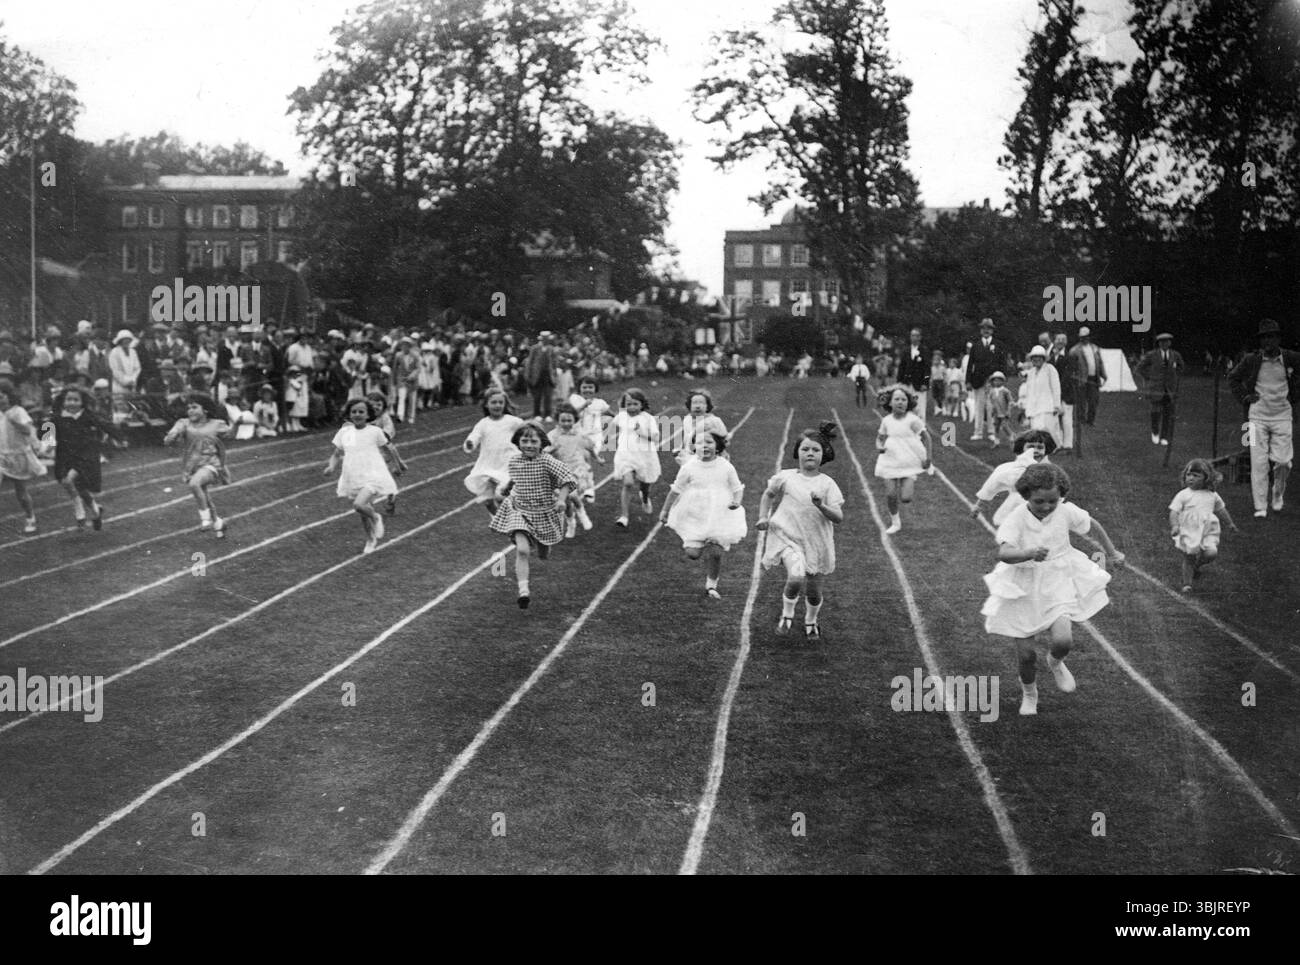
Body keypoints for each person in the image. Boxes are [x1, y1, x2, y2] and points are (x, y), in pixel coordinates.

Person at [980, 463, 1124, 716]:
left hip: (1058, 579)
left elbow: (1094, 524)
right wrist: (1028, 552)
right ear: (1026, 496)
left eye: (1052, 501)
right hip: (1022, 585)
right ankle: (1029, 694)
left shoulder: (1066, 511)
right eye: (1039, 502)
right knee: (1026, 655)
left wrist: (1112, 553)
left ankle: (1055, 662)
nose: (1046, 507)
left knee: (1063, 640)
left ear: (1060, 497)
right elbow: (1003, 552)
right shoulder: (1016, 518)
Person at [756, 422, 844, 640]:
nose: (810, 454)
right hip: (787, 536)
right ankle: (787, 615)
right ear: (797, 452)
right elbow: (768, 494)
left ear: (824, 454)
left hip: (816, 541)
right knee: (795, 577)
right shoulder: (785, 477)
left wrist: (821, 505)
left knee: (814, 590)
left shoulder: (827, 484)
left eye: (816, 450)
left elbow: (838, 517)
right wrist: (763, 517)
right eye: (805, 449)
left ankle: (811, 620)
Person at [491, 421, 578, 608]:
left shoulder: (547, 460)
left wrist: (562, 499)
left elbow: (568, 479)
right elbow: (516, 478)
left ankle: (543, 545)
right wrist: (507, 488)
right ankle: (523, 591)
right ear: (517, 442)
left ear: (541, 443)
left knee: (544, 553)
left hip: (544, 512)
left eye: (533, 441)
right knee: (522, 550)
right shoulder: (514, 461)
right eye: (524, 441)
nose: (529, 445)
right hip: (519, 510)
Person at [659, 430, 747, 599]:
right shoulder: (689, 467)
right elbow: (675, 490)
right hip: (695, 512)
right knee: (693, 554)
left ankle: (711, 585)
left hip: (719, 512)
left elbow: (737, 488)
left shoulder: (726, 466)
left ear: (717, 446)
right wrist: (665, 510)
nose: (704, 446)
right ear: (693, 447)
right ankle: (700, 540)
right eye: (700, 443)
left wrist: (737, 501)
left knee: (715, 552)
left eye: (709, 442)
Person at [1228, 318, 1298, 518]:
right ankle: (1260, 506)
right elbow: (1233, 378)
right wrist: (1244, 397)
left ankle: (1277, 494)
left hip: (1282, 416)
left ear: (1278, 338)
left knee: (1284, 462)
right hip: (1256, 417)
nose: (1267, 341)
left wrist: (1294, 395)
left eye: (1271, 337)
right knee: (1258, 462)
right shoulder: (1251, 360)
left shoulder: (1291, 358)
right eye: (1263, 338)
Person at [324, 397, 402, 554]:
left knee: (359, 505)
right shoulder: (345, 432)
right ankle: (370, 539)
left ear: (368, 414)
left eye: (361, 411)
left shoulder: (375, 432)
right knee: (362, 512)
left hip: (373, 474)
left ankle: (376, 517)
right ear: (349, 414)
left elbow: (388, 449)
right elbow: (337, 453)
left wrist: (397, 465)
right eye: (354, 411)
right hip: (353, 475)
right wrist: (331, 466)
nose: (357, 414)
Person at [49, 386, 123, 529]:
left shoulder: (88, 415)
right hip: (65, 455)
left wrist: (120, 437)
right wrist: (47, 444)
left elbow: (105, 425)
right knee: (79, 487)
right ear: (63, 401)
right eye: (69, 399)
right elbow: (47, 432)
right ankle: (96, 511)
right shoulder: (57, 417)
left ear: (82, 402)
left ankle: (79, 509)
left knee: (68, 480)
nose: (72, 403)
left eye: (76, 400)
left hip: (85, 455)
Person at [163, 395, 232, 538]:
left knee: (195, 484)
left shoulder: (216, 424)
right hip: (193, 466)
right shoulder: (184, 423)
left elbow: (230, 435)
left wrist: (236, 425)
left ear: (205, 409)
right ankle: (218, 523)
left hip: (212, 465)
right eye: (188, 408)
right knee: (204, 495)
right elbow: (171, 435)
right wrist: (171, 436)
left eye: (194, 407)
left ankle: (205, 519)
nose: (190, 411)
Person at [1169, 458, 1239, 593]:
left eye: (1196, 476)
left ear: (1206, 478)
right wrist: (1175, 526)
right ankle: (1187, 584)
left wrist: (1230, 523)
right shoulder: (1183, 495)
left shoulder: (1212, 495)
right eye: (1189, 475)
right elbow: (1174, 511)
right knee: (1188, 556)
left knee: (1211, 553)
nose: (1191, 478)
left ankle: (1197, 565)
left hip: (1208, 530)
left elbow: (1221, 510)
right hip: (1189, 529)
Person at [874, 385, 932, 534]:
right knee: (890, 494)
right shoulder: (886, 420)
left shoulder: (913, 420)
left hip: (909, 460)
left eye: (903, 399)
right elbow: (879, 438)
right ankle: (895, 522)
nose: (900, 402)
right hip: (891, 459)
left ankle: (909, 479)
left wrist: (928, 458)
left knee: (906, 498)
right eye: (897, 399)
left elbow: (927, 438)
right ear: (890, 403)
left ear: (908, 403)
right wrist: (880, 446)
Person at [969, 429, 1056, 524]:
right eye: (1030, 447)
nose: (1035, 451)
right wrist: (978, 506)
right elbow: (991, 486)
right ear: (1022, 448)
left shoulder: (1051, 470)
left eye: (1040, 447)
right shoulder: (1011, 469)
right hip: (1016, 509)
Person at [462, 388, 524, 515]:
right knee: (488, 500)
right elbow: (475, 436)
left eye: (500, 402)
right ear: (486, 404)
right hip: (488, 464)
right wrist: (470, 443)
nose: (497, 405)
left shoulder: (512, 421)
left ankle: (512, 516)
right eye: (494, 402)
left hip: (507, 463)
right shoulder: (483, 423)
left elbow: (526, 428)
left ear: (505, 404)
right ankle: (498, 519)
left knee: (501, 495)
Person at [548, 404, 603, 536]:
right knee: (566, 501)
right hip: (560, 471)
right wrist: (551, 450)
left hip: (577, 469)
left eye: (569, 420)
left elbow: (590, 447)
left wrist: (598, 459)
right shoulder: (552, 436)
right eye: (563, 420)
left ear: (575, 420)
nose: (566, 423)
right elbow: (545, 452)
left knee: (572, 495)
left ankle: (582, 513)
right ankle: (571, 522)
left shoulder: (579, 435)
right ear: (558, 420)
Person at [0, 379, 46, 534]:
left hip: (18, 455)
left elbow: (29, 430)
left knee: (20, 492)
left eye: (2, 396)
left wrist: (16, 423)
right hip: (2, 456)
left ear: (9, 396)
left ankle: (30, 517)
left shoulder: (17, 411)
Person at [611, 388, 660, 528]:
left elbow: (656, 437)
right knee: (627, 483)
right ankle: (624, 516)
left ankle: (644, 498)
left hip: (644, 455)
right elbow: (610, 428)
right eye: (628, 404)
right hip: (626, 455)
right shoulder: (621, 416)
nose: (631, 407)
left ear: (642, 404)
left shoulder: (647, 418)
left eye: (635, 404)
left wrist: (642, 433)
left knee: (645, 484)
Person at [1135, 333, 1184, 446]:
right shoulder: (1152, 355)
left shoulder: (1175, 355)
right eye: (1162, 342)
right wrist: (1149, 377)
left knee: (1168, 414)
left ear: (1170, 343)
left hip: (1169, 390)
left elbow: (1181, 367)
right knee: (1155, 413)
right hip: (1156, 389)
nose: (1164, 344)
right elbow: (1139, 368)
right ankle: (1155, 432)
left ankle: (1164, 437)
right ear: (1159, 344)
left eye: (1166, 342)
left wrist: (1174, 377)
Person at [965, 318, 1003, 440]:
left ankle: (991, 432)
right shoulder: (976, 346)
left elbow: (1002, 364)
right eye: (983, 328)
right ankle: (978, 432)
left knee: (991, 407)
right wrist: (968, 380)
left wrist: (1000, 378)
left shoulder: (997, 345)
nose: (986, 330)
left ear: (992, 330)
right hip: (978, 380)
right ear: (981, 330)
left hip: (993, 381)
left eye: (988, 328)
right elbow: (970, 364)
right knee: (979, 407)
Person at [1021, 345, 1062, 446]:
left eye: (1039, 357)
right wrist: (1027, 408)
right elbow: (1029, 391)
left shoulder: (1050, 369)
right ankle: (1042, 448)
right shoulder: (1031, 373)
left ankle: (1057, 447)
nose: (1036, 359)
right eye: (1034, 357)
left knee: (1049, 429)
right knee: (1036, 430)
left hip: (1048, 405)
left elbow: (1056, 388)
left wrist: (1056, 405)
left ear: (1043, 358)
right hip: (1035, 407)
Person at [1066, 327, 1107, 426]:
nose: (1084, 339)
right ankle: (1081, 421)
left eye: (1086, 337)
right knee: (1081, 402)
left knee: (1093, 401)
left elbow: (1100, 363)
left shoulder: (1095, 348)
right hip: (1081, 379)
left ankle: (1091, 421)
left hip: (1093, 379)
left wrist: (1104, 375)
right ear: (1079, 337)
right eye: (1082, 337)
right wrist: (1074, 377)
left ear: (1089, 337)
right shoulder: (1074, 350)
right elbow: (1071, 367)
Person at [676, 390, 729, 465]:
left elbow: (725, 439)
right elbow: (687, 438)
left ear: (707, 406)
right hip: (692, 457)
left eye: (701, 403)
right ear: (689, 406)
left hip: (711, 458)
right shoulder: (687, 420)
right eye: (694, 403)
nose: (698, 406)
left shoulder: (715, 420)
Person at [896, 326, 932, 420]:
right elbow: (901, 367)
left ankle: (921, 429)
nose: (914, 338)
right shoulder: (906, 351)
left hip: (919, 383)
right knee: (906, 405)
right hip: (907, 383)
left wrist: (925, 383)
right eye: (912, 335)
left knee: (920, 406)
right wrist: (899, 382)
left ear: (920, 337)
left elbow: (927, 368)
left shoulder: (924, 350)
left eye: (916, 336)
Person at [1047, 332, 1074, 451]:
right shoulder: (1051, 357)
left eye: (1063, 339)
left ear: (1066, 342)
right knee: (1055, 419)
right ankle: (1058, 443)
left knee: (1067, 419)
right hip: (1053, 394)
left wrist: (1058, 393)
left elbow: (1067, 378)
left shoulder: (1070, 357)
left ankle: (1068, 444)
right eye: (1058, 339)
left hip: (1066, 393)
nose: (1060, 342)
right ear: (1054, 341)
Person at [107, 329, 141, 400]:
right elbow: (115, 370)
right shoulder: (114, 352)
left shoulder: (133, 352)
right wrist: (126, 381)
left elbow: (137, 368)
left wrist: (133, 380)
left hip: (132, 386)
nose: (126, 341)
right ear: (120, 341)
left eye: (128, 339)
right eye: (124, 339)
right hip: (118, 387)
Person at [985, 372, 1014, 447]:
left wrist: (1008, 410)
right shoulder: (992, 391)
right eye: (995, 380)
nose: (996, 382)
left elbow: (1010, 401)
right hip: (996, 412)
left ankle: (1011, 437)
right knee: (996, 427)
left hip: (1004, 412)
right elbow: (991, 401)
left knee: (1004, 426)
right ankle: (996, 441)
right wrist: (991, 410)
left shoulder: (1005, 391)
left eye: (999, 380)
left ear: (1003, 381)